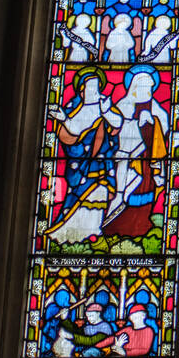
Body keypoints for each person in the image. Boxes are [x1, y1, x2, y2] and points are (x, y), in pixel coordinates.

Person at [46, 67, 120, 245]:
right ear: (82, 90)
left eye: (96, 88)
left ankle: (94, 231)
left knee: (98, 196)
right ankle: (73, 235)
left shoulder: (104, 106)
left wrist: (107, 111)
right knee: (80, 199)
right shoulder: (75, 109)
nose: (94, 92)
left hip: (101, 164)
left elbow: (118, 123)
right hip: (80, 166)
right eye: (90, 88)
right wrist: (63, 119)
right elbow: (71, 134)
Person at [102, 64, 169, 239]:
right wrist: (106, 111)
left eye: (150, 89)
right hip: (127, 159)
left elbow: (165, 124)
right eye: (144, 88)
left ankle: (142, 227)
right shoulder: (124, 105)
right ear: (133, 88)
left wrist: (152, 122)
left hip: (146, 160)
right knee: (125, 192)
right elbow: (117, 122)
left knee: (145, 192)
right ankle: (117, 228)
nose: (147, 92)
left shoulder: (154, 107)